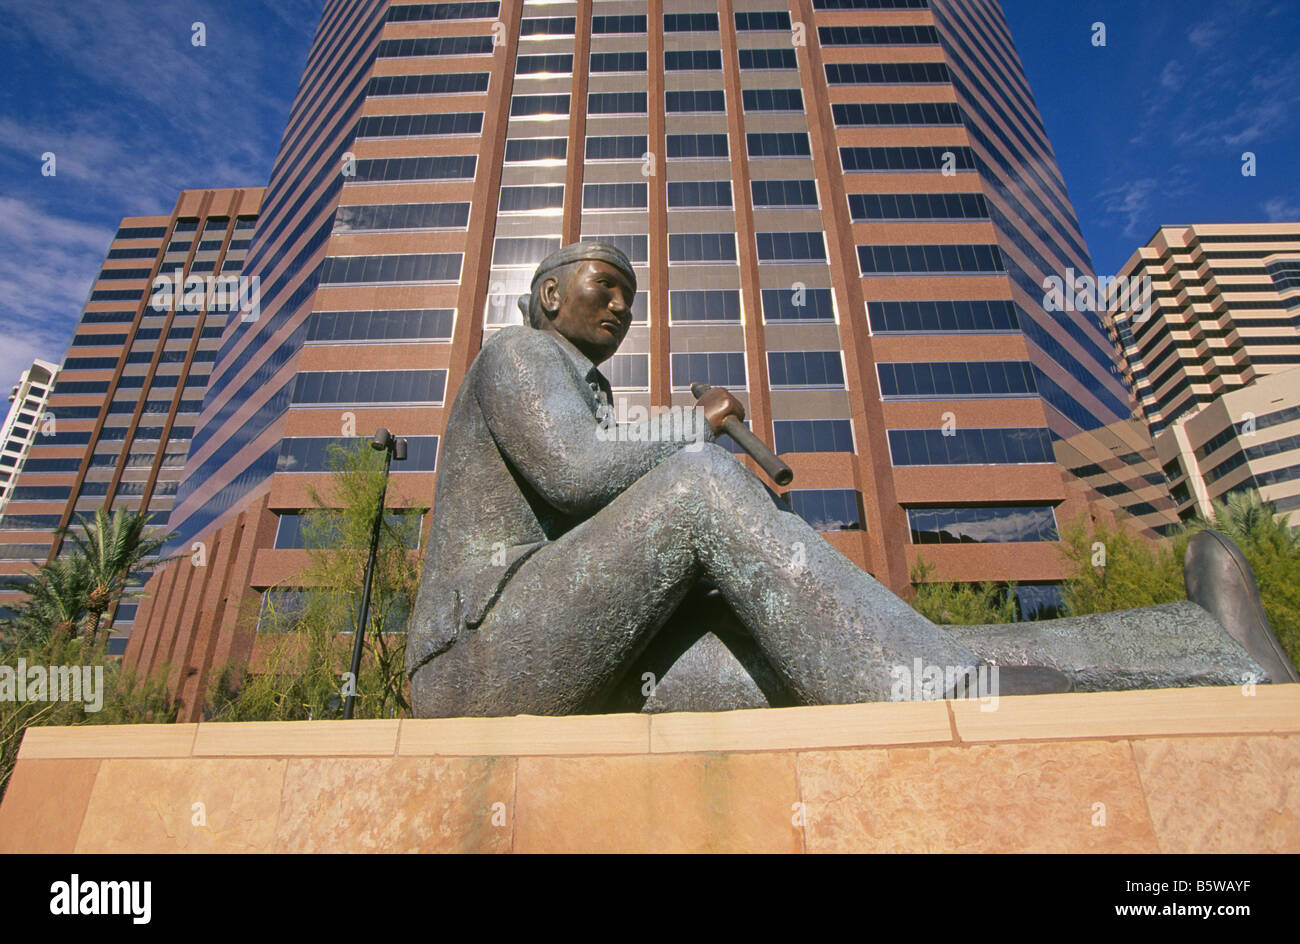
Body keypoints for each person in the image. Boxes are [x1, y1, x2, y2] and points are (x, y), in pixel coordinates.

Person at [406, 242, 995, 717]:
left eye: (629, 299)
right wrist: (698, 424)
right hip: (476, 653)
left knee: (794, 652)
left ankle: (1055, 661)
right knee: (698, 482)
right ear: (551, 293)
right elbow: (577, 470)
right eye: (604, 286)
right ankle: (929, 705)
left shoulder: (587, 389)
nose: (620, 306)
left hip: (564, 654)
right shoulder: (521, 352)